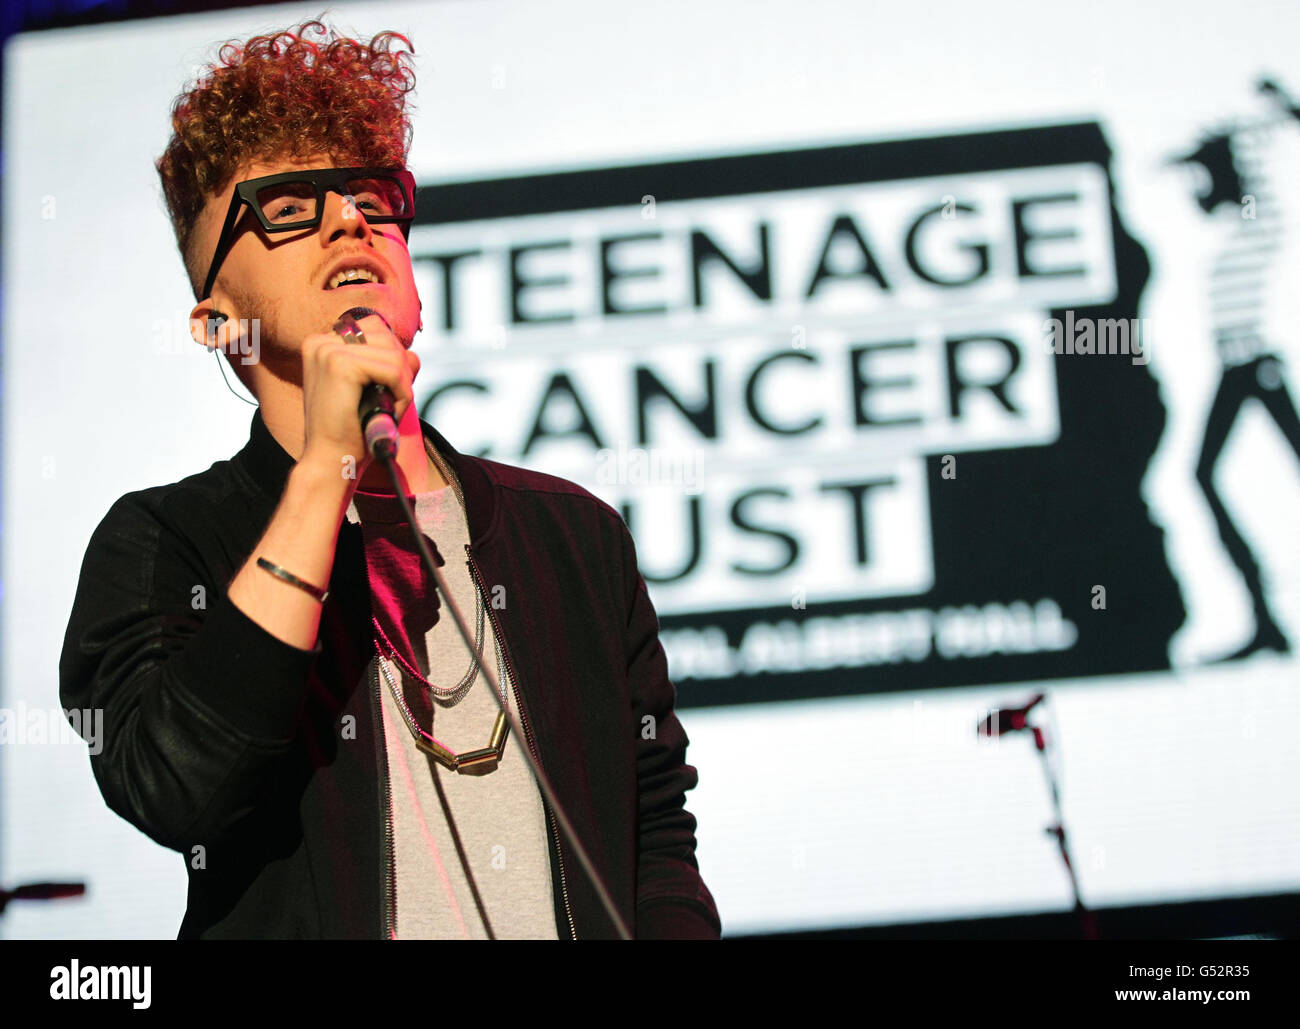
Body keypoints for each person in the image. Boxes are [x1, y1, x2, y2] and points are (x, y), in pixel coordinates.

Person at [59, 18, 721, 940]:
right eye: (289, 206)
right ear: (217, 322)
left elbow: (655, 835)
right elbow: (176, 788)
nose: (347, 220)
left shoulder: (573, 535)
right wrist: (328, 469)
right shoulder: (164, 541)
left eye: (372, 196)